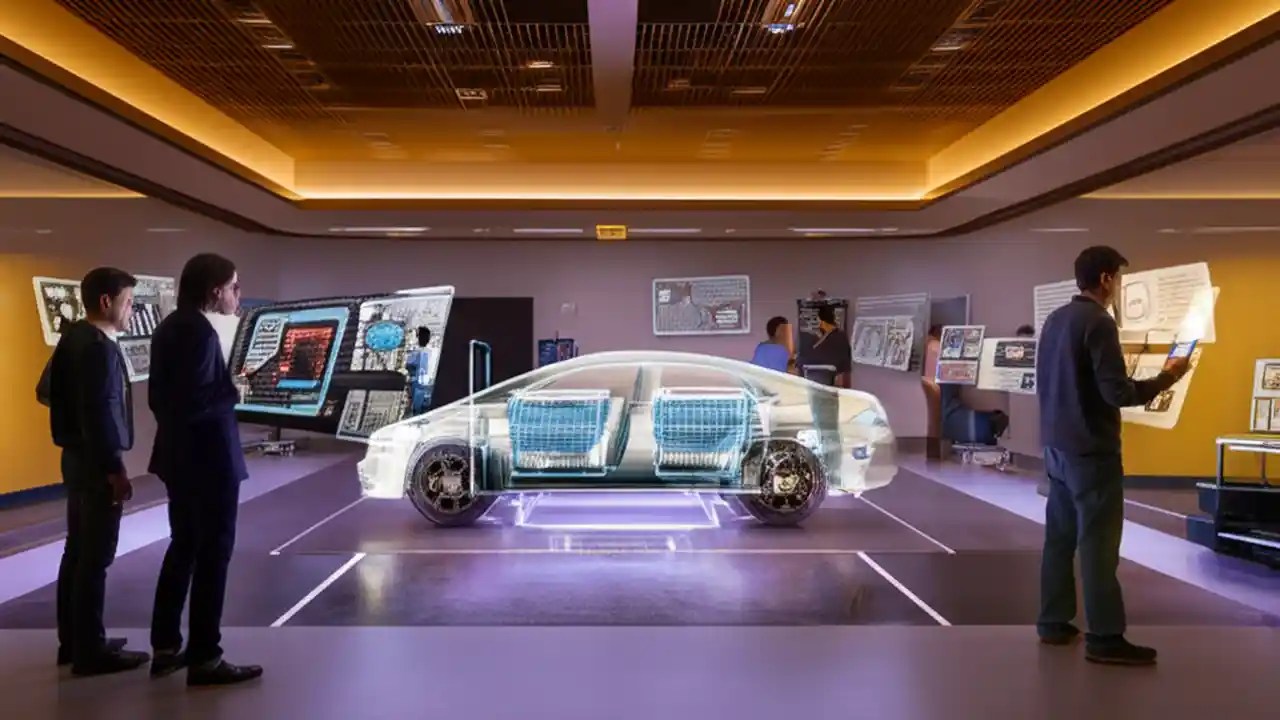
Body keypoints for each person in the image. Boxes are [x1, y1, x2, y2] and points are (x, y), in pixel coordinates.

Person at [1036, 246, 1190, 666]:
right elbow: (1117, 393)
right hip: (1091, 453)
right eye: (1118, 278)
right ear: (1105, 279)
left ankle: (1052, 622)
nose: (1119, 286)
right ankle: (1105, 637)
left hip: (1056, 449)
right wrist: (1167, 377)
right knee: (1100, 546)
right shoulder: (1098, 323)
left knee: (1059, 541)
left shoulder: (1055, 319)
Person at [147, 253, 262, 686]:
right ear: (215, 290)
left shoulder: (170, 328)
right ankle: (205, 658)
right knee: (213, 555)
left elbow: (166, 401)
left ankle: (165, 647)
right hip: (208, 462)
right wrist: (233, 390)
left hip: (180, 459)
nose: (238, 294)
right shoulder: (197, 332)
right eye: (234, 286)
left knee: (184, 548)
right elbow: (195, 402)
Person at [36, 267, 150, 675]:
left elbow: (45, 390)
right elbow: (101, 412)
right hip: (96, 466)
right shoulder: (99, 347)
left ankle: (75, 640)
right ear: (106, 301)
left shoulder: (72, 340)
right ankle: (90, 650)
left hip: (75, 461)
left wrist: (72, 422)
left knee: (77, 552)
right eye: (129, 302)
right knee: (95, 560)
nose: (132, 310)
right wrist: (115, 469)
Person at [797, 305, 851, 388]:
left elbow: (801, 361)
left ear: (821, 320)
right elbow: (845, 366)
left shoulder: (835, 337)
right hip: (831, 382)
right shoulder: (840, 337)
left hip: (814, 380)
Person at [405, 326, 435, 415]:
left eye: (416, 335)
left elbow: (411, 367)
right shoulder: (430, 352)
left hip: (417, 385)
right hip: (424, 385)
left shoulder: (417, 353)